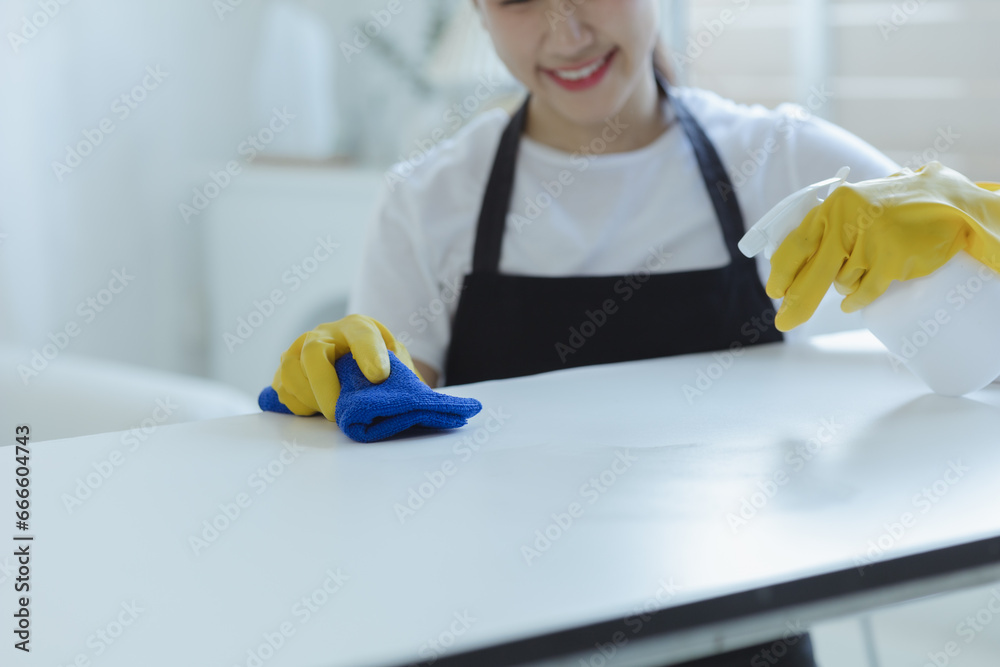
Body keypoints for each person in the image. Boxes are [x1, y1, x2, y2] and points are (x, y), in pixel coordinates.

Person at [267, 1, 1000, 664]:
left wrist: (970, 232)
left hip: (746, 626)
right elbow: (383, 456)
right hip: (504, 627)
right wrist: (347, 402)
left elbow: (986, 361)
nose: (566, 31)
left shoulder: (779, 159)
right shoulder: (426, 200)